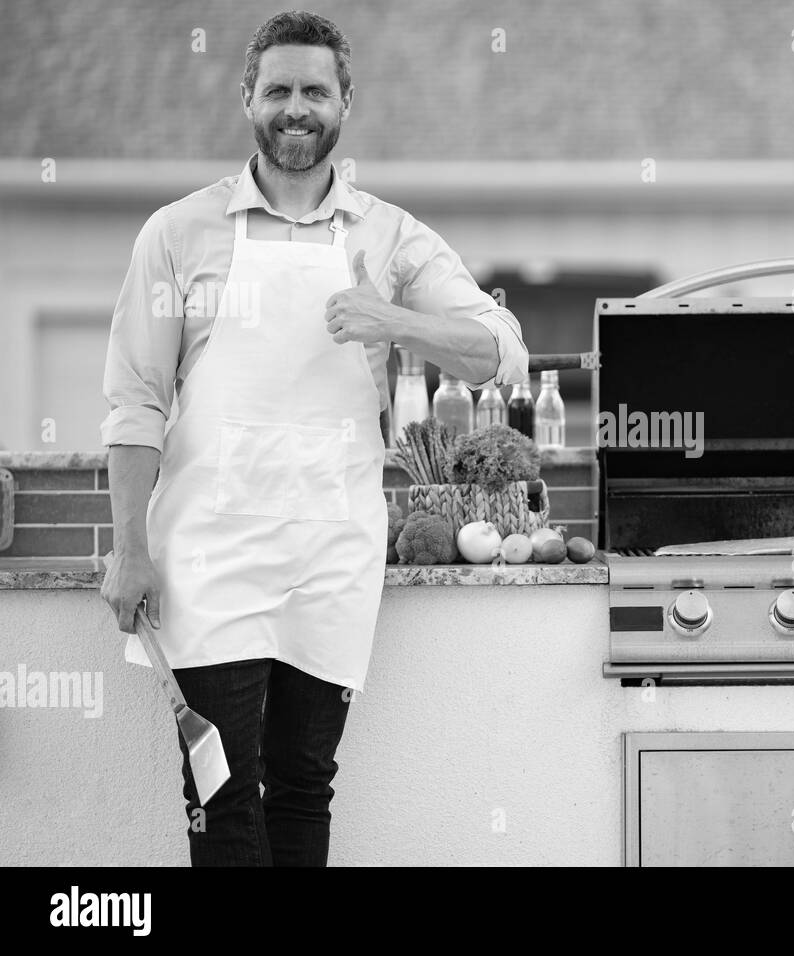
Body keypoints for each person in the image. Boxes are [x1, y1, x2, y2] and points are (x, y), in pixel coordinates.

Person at [98, 10, 528, 866]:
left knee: (303, 789)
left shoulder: (391, 238)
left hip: (331, 552)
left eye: (315, 91)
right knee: (220, 796)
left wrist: (393, 318)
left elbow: (501, 353)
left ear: (346, 102)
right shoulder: (178, 235)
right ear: (248, 98)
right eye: (280, 89)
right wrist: (130, 549)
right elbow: (136, 402)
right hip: (212, 555)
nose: (298, 107)